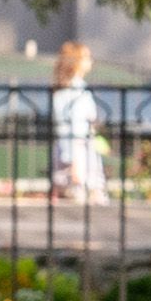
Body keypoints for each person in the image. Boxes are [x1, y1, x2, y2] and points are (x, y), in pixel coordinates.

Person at [46, 39, 112, 205]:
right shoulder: (77, 92)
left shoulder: (61, 90)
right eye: (86, 57)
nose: (90, 61)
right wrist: (76, 163)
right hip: (80, 159)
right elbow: (77, 129)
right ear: (76, 62)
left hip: (64, 155)